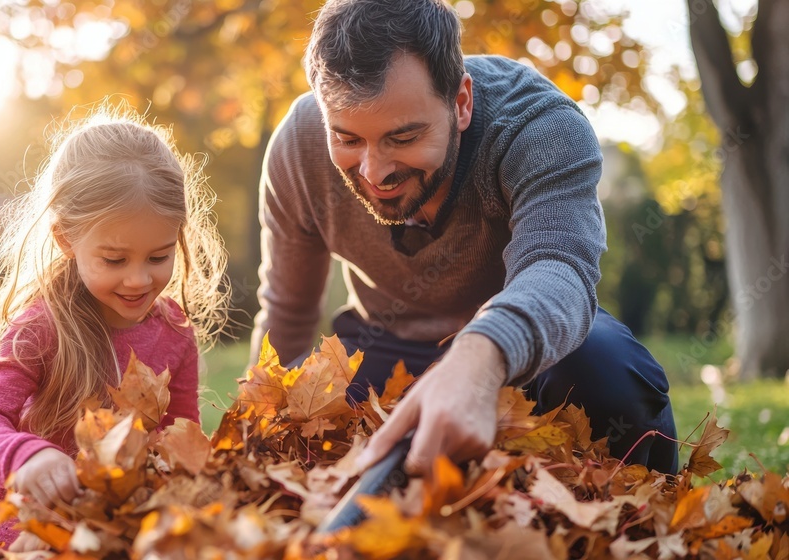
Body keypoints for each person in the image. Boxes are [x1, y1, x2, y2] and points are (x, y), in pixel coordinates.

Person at [251, 0, 678, 476]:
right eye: (349, 140)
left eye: (403, 137)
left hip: (521, 357)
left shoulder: (540, 128)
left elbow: (560, 268)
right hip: (385, 347)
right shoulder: (297, 146)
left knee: (605, 370)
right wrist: (260, 425)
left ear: (461, 102)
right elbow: (287, 312)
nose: (375, 171)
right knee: (309, 433)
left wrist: (478, 355)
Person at [0, 107, 228, 548]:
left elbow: (179, 440)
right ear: (67, 240)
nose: (138, 279)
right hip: (23, 524)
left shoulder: (175, 330)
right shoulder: (42, 327)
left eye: (158, 256)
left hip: (122, 522)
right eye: (114, 260)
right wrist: (26, 457)